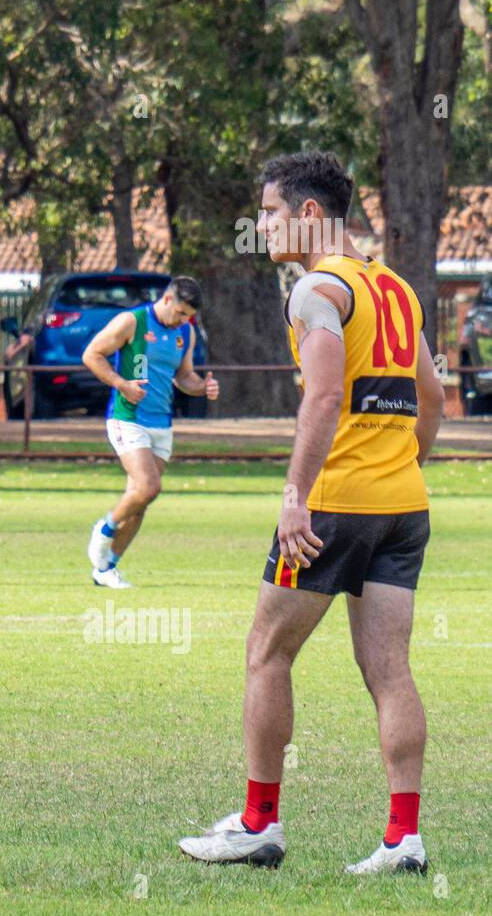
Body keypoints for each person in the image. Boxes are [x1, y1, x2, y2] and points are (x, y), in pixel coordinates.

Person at [179, 151, 443, 875]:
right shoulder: (395, 289)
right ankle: (403, 838)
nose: (260, 225)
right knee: (390, 671)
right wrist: (401, 467)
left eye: (268, 212)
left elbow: (322, 397)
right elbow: (434, 400)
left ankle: (259, 824)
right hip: (402, 509)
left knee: (268, 651)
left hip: (334, 506)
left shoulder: (314, 291)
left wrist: (295, 494)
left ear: (308, 215)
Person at [81, 277, 220, 586]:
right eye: (181, 313)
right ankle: (104, 529)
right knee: (148, 487)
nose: (184, 320)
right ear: (167, 300)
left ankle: (106, 568)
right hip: (128, 419)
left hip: (162, 424)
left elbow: (184, 377)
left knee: (141, 501)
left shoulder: (185, 332)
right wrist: (121, 384)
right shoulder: (132, 321)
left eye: (189, 316)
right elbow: (91, 354)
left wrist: (203, 387)